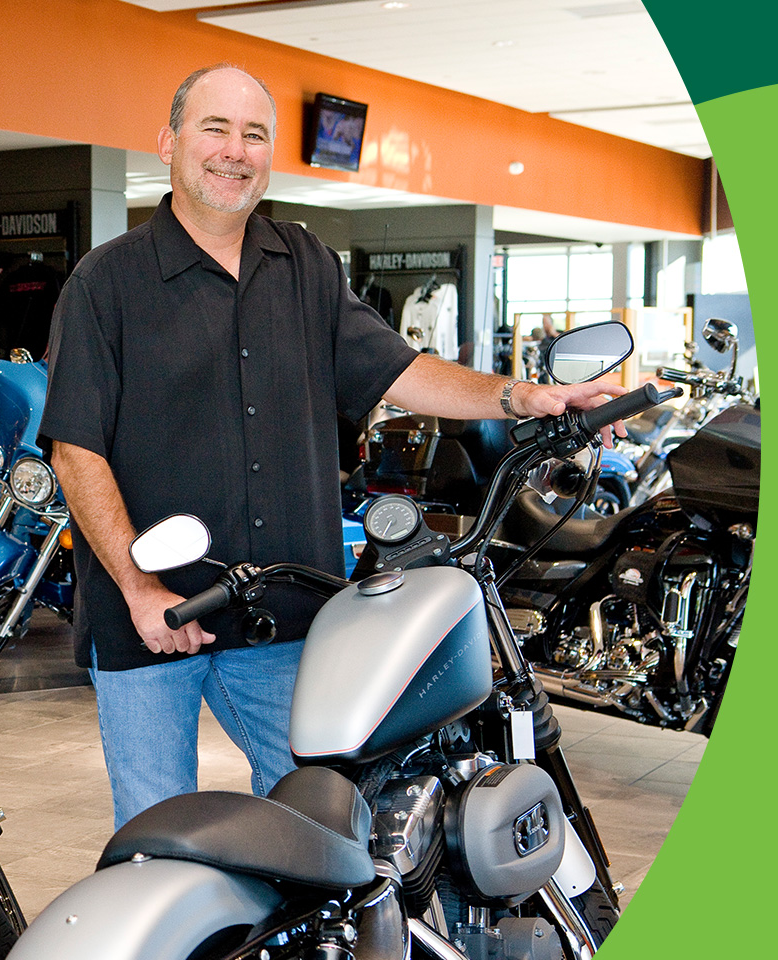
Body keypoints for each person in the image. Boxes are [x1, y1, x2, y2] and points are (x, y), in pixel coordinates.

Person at [41, 63, 636, 828]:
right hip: (152, 619)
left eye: (254, 134)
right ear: (169, 143)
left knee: (323, 827)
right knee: (160, 839)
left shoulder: (306, 264)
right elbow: (76, 450)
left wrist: (524, 396)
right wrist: (138, 586)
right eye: (215, 129)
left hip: (285, 614)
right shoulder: (105, 283)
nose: (235, 150)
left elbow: (401, 369)